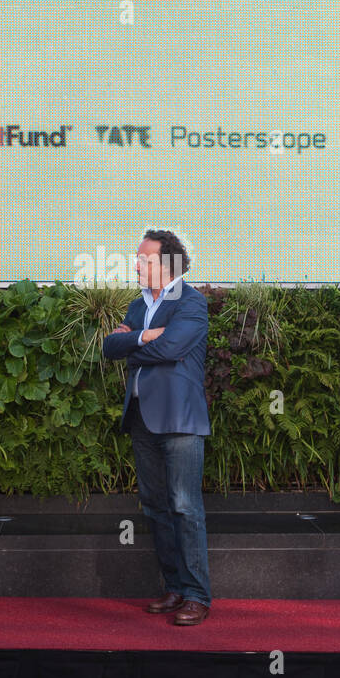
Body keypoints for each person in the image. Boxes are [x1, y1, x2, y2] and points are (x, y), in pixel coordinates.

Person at [102, 229, 212, 625]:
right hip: (141, 417)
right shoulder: (138, 305)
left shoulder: (192, 303)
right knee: (156, 507)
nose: (136, 264)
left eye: (144, 259)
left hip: (180, 419)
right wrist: (144, 335)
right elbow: (108, 348)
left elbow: (172, 349)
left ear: (168, 265)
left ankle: (198, 596)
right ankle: (176, 589)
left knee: (185, 507)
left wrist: (132, 343)